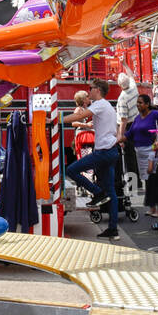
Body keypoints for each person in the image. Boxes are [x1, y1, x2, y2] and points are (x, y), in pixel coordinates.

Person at [64, 80, 121, 238]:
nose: (89, 91)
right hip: (111, 151)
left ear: (98, 90)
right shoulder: (107, 105)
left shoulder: (100, 104)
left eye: (91, 88)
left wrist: (57, 120)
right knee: (111, 192)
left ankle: (97, 192)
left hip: (103, 152)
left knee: (71, 170)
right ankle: (113, 228)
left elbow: (79, 115)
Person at [125, 92, 158, 201]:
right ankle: (153, 206)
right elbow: (129, 134)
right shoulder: (137, 118)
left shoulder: (154, 114)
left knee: (153, 177)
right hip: (139, 152)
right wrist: (117, 139)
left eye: (140, 103)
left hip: (151, 150)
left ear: (147, 104)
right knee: (146, 179)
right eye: (137, 103)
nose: (138, 105)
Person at [116, 69, 139, 138]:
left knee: (129, 147)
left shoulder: (122, 98)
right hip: (137, 121)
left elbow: (124, 119)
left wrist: (121, 135)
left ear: (119, 84)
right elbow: (131, 75)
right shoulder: (133, 87)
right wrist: (124, 64)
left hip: (128, 127)